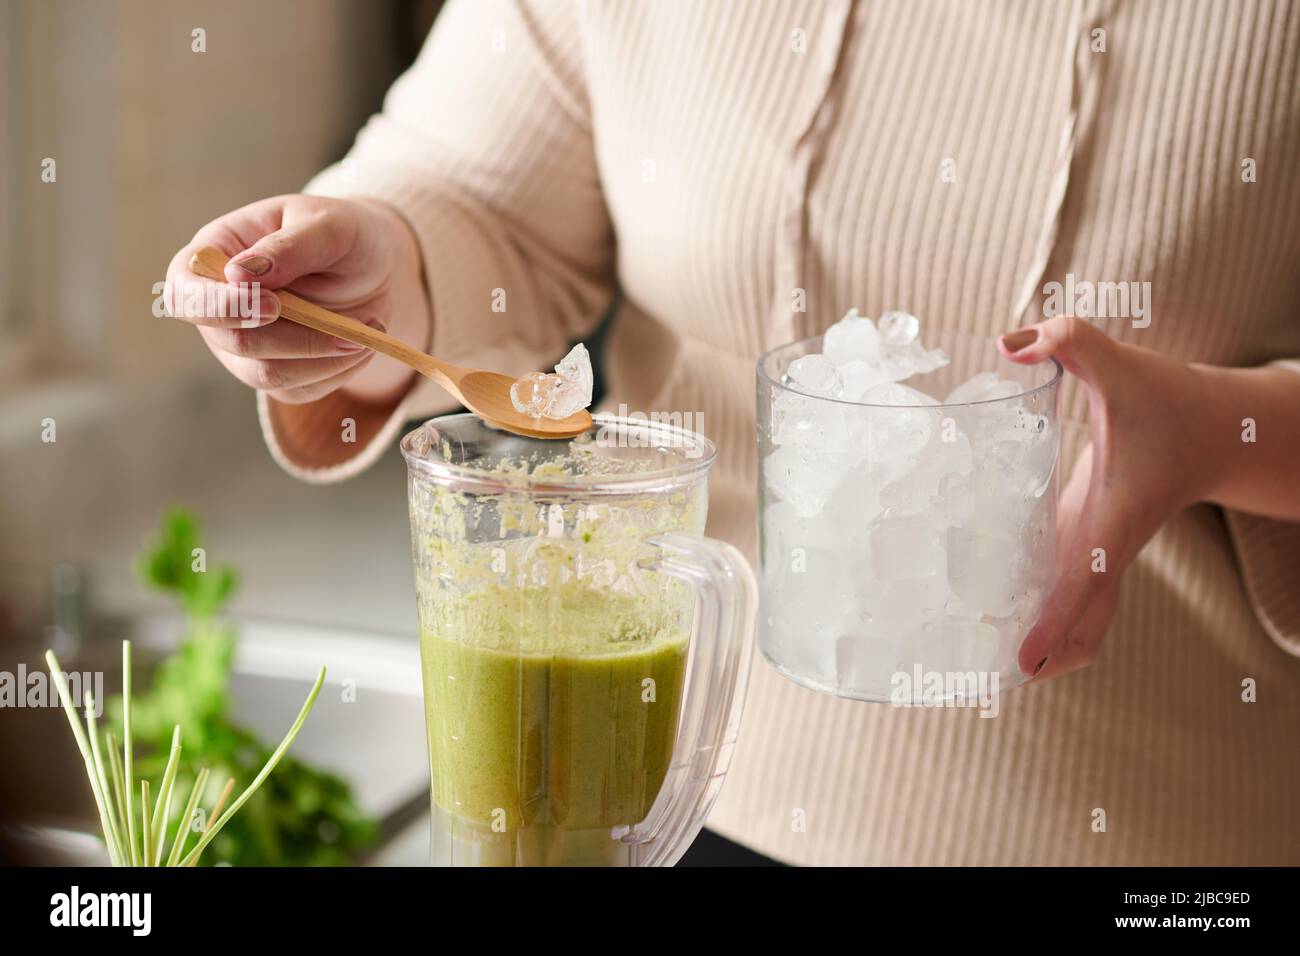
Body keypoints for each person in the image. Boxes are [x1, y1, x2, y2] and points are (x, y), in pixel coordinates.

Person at [166, 0, 1300, 864]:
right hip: (681, 800)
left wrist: (1214, 430)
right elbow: (478, 191)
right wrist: (370, 277)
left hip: (1164, 847)